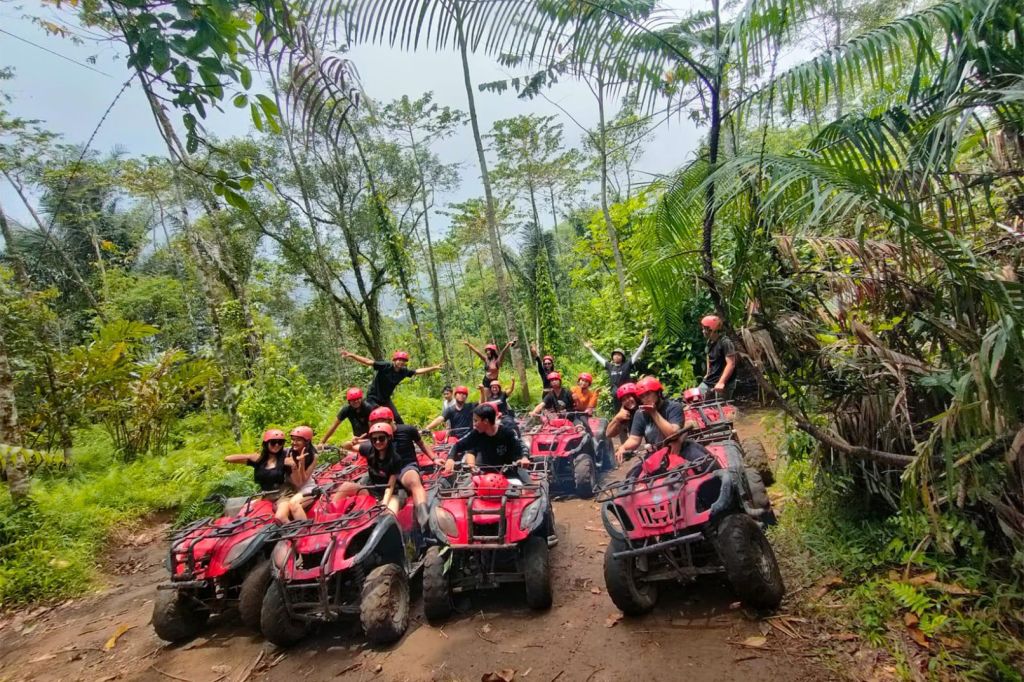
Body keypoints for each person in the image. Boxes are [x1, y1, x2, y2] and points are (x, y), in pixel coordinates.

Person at [339, 348, 442, 423]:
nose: (401, 362)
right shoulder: (386, 366)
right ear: (394, 360)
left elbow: (417, 371)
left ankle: (402, 438)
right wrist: (351, 355)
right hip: (373, 398)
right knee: (380, 416)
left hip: (386, 399)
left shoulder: (403, 371)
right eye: (399, 360)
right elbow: (368, 362)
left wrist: (434, 368)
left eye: (403, 361)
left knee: (397, 418)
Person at [331, 423, 405, 515]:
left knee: (389, 513)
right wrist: (352, 442)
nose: (377, 442)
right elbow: (345, 447)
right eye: (374, 439)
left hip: (390, 493)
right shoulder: (369, 450)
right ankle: (330, 514)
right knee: (346, 486)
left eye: (381, 438)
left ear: (389, 438)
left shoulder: (395, 459)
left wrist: (384, 504)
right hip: (371, 490)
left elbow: (390, 486)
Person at [444, 404, 530, 473]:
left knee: (529, 486)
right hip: (485, 475)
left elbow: (521, 446)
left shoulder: (507, 432)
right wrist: (450, 458)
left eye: (476, 420)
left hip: (509, 471)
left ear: (486, 421)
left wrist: (524, 458)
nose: (474, 424)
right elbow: (457, 445)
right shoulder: (476, 434)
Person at [615, 377, 684, 463]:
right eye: (642, 396)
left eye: (648, 394)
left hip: (678, 450)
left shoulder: (673, 407)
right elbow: (634, 439)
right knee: (636, 471)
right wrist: (623, 447)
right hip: (655, 454)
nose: (645, 399)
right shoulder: (640, 414)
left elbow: (673, 434)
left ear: (658, 392)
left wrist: (653, 413)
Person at [583, 332, 649, 410]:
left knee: (632, 411)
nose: (616, 356)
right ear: (612, 357)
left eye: (619, 355)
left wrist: (645, 341)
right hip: (616, 396)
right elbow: (598, 358)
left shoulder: (627, 365)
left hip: (628, 395)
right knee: (619, 413)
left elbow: (638, 353)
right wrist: (590, 349)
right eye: (615, 355)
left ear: (622, 357)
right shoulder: (610, 366)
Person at [224, 428, 289, 493]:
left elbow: (294, 463)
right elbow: (228, 458)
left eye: (280, 442)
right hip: (264, 494)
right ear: (266, 443)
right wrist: (249, 456)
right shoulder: (259, 460)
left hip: (281, 494)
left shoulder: (286, 459)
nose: (277, 445)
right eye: (273, 442)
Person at [279, 426, 318, 523]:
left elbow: (303, 480)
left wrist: (301, 464)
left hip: (305, 487)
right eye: (293, 439)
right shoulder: (287, 453)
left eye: (298, 440)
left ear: (307, 442)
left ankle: (305, 528)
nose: (294, 442)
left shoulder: (313, 456)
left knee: (294, 504)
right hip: (290, 489)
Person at [699, 315, 738, 399]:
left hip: (724, 381)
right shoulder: (710, 342)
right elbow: (709, 356)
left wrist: (721, 382)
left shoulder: (725, 343)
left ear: (710, 330)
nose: (702, 331)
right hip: (711, 379)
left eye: (704, 329)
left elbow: (731, 364)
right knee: (697, 397)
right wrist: (707, 373)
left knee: (720, 405)